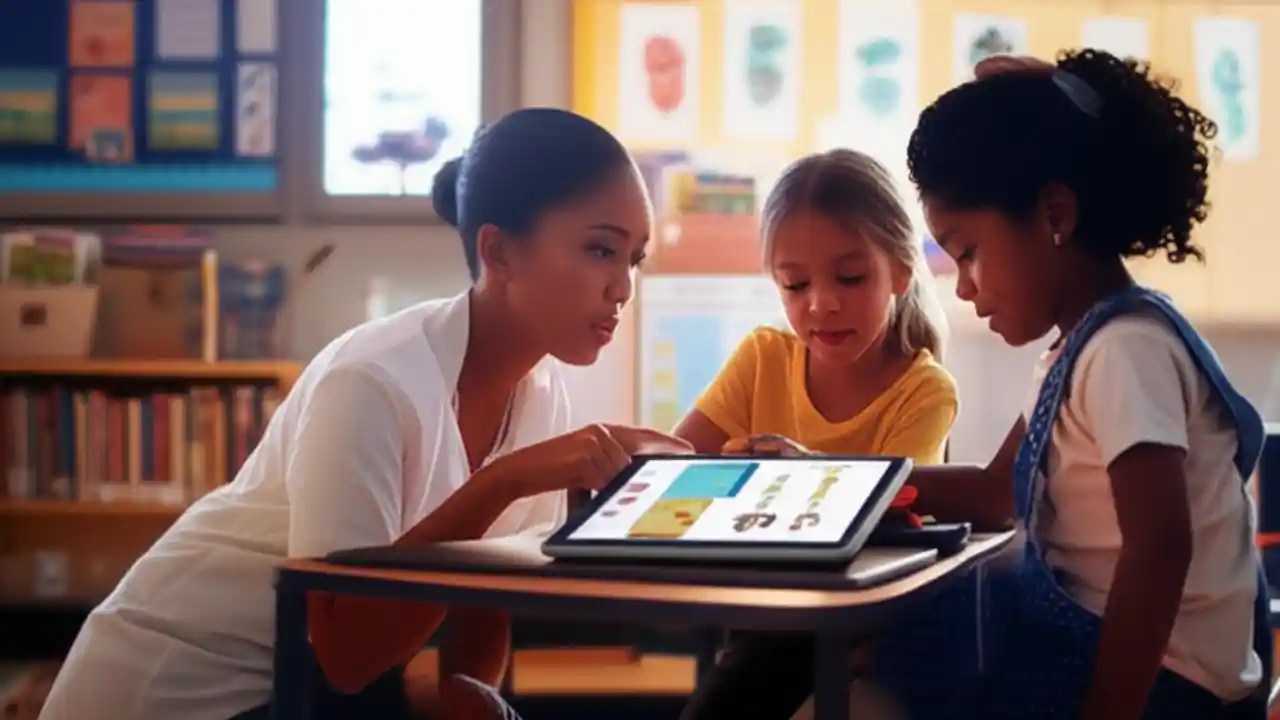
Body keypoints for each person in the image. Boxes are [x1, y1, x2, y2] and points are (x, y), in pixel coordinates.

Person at [38, 107, 693, 720]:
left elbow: (480, 608)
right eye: (601, 250)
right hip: (175, 692)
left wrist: (470, 703)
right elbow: (345, 655)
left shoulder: (542, 392)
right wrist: (504, 481)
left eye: (634, 259)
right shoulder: (371, 382)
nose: (622, 288)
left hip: (297, 699)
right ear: (498, 252)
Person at [866, 49, 1269, 719]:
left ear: (1054, 216)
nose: (963, 287)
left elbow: (1161, 545)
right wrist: (851, 484)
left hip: (1161, 691)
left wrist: (1106, 712)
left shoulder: (1124, 351)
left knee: (898, 669)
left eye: (967, 251)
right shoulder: (1079, 350)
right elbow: (999, 493)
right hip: (1125, 666)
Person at [675, 148, 958, 720]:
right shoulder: (761, 358)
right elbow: (676, 466)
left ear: (901, 271)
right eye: (794, 284)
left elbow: (887, 515)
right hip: (763, 613)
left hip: (858, 623)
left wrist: (797, 472)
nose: (821, 304)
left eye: (850, 278)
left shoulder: (924, 390)